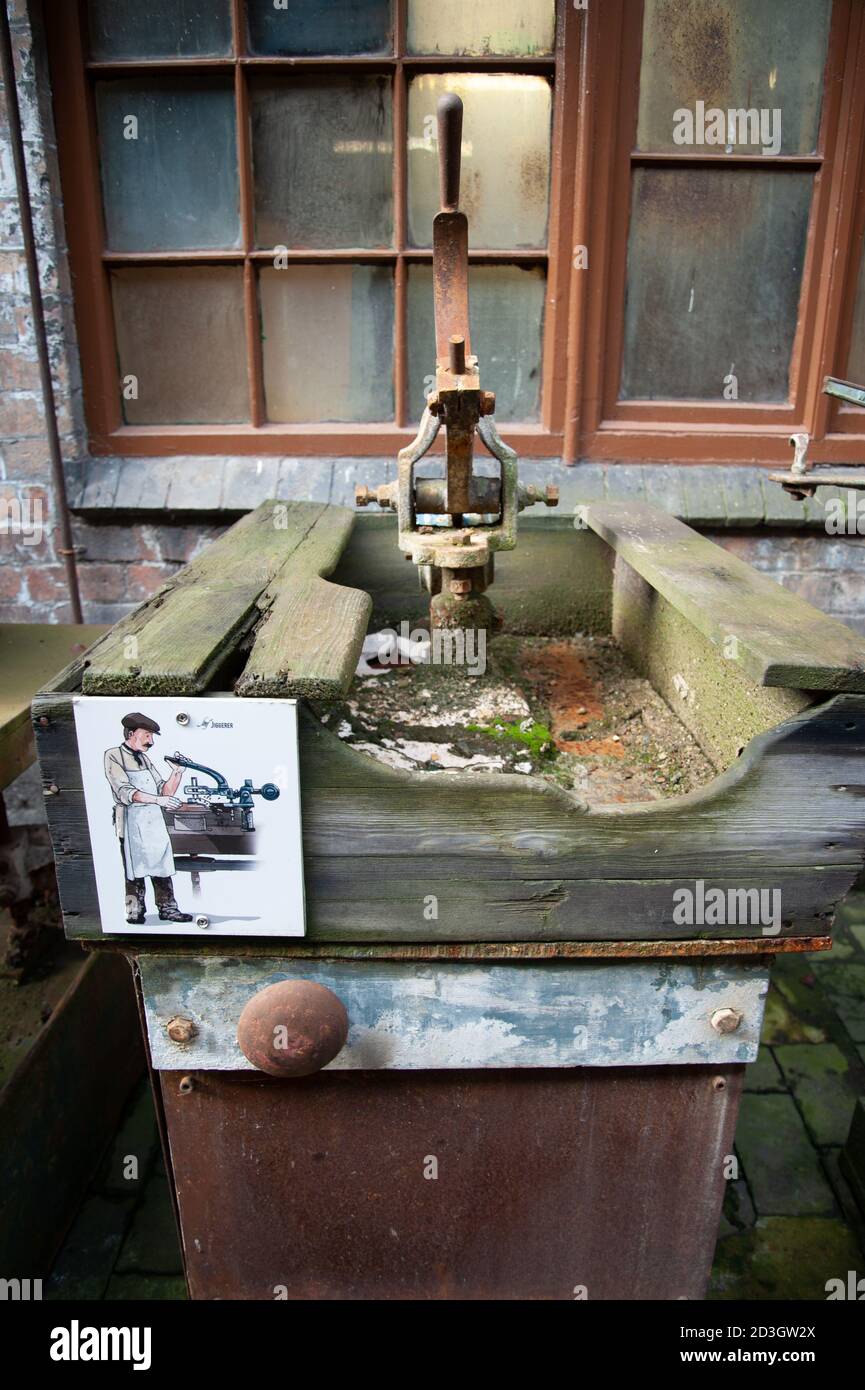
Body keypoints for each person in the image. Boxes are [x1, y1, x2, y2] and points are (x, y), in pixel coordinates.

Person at [103, 713, 192, 924]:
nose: (151, 741)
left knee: (161, 865)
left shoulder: (144, 758)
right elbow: (126, 791)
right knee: (134, 869)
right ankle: (134, 911)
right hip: (131, 821)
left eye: (152, 736)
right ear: (131, 733)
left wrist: (177, 773)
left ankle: (168, 909)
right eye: (147, 735)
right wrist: (159, 801)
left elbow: (164, 790)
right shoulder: (113, 755)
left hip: (153, 821)